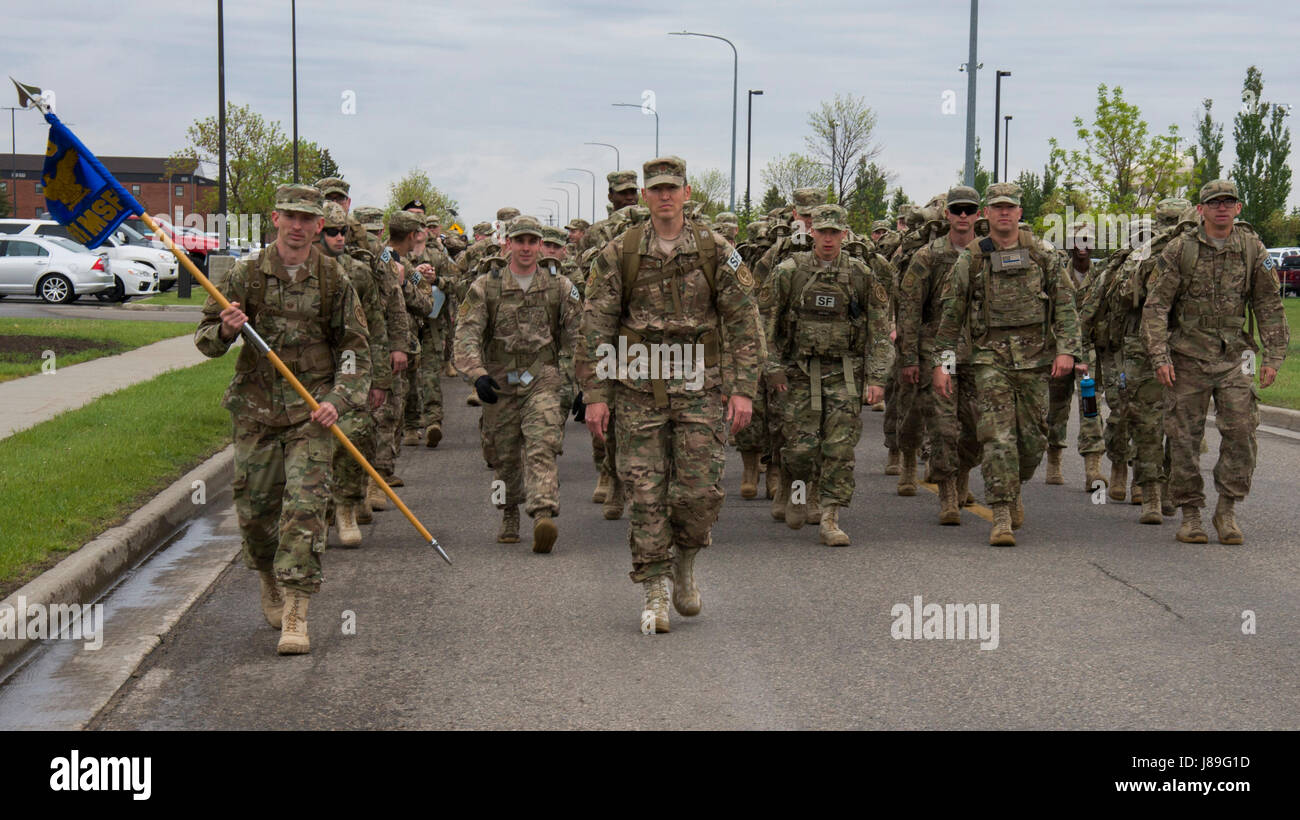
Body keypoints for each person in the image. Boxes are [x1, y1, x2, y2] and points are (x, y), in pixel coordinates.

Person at [578, 156, 762, 633]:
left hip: (701, 384)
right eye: (656, 189)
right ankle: (654, 587)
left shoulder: (716, 250)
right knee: (645, 490)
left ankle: (685, 563)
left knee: (699, 491)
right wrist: (596, 393)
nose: (664, 197)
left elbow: (744, 320)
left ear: (686, 193)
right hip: (638, 387)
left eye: (672, 189)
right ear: (644, 196)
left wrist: (743, 390)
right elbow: (595, 324)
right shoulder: (621, 251)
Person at [195, 184, 369, 654]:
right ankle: (269, 576)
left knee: (306, 507)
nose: (298, 226)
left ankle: (297, 609)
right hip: (255, 409)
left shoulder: (334, 280)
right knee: (254, 513)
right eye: (290, 216)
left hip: (311, 411)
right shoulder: (245, 274)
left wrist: (339, 397)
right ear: (275, 219)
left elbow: (354, 349)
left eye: (307, 219)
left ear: (319, 225)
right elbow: (206, 339)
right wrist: (226, 329)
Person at [932, 182, 1081, 546]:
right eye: (996, 207)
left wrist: (1067, 350)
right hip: (989, 359)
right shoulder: (973, 257)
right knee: (997, 438)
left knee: (1031, 443)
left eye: (1009, 207)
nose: (1003, 213)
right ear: (987, 214)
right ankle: (1000, 513)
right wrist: (944, 364)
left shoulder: (1043, 254)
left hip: (1034, 361)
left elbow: (1065, 306)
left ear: (1019, 213)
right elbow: (952, 315)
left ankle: (1014, 487)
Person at [1141, 180, 1289, 544]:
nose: (1222, 208)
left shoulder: (1252, 247)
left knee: (1241, 431)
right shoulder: (1180, 249)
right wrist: (1159, 355)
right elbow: (1156, 306)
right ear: (1201, 209)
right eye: (1214, 202)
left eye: (1228, 202)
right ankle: (1190, 513)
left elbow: (1269, 304)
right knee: (1183, 439)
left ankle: (1226, 510)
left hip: (1234, 357)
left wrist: (1273, 355)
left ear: (1238, 209)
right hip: (1187, 357)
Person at [761, 204, 890, 544]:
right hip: (799, 372)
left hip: (844, 372)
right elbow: (765, 326)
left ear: (845, 235)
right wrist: (773, 370)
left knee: (839, 449)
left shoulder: (862, 274)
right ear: (812, 233)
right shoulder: (789, 272)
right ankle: (797, 490)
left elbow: (879, 331)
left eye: (835, 232)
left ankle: (830, 517)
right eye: (823, 232)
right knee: (800, 450)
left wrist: (876, 378)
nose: (829, 239)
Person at [455, 216, 581, 552]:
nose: (526, 248)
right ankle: (508, 512)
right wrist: (476, 373)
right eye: (519, 241)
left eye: (532, 241)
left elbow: (579, 335)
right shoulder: (486, 286)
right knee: (503, 456)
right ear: (507, 244)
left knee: (542, 445)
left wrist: (585, 382)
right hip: (499, 381)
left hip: (542, 378)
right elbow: (467, 333)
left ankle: (543, 514)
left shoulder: (559, 287)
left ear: (540, 246)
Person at [897, 185, 983, 523]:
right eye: (957, 209)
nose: (963, 216)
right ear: (947, 214)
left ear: (980, 215)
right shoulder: (928, 257)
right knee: (944, 428)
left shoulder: (987, 254)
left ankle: (962, 476)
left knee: (976, 427)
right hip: (939, 353)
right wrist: (907, 357)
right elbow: (910, 308)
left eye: (969, 210)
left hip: (978, 353)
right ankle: (948, 492)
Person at [318, 201, 389, 546]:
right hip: (307, 368)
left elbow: (374, 325)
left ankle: (345, 507)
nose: (339, 237)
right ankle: (317, 513)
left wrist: (380, 379)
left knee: (353, 435)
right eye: (331, 232)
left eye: (343, 231)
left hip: (350, 366)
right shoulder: (298, 268)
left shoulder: (359, 273)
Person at [1045, 222, 1106, 488]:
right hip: (1060, 351)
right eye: (1078, 241)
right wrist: (1062, 349)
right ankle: (1054, 461)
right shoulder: (1057, 273)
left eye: (1087, 241)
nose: (1083, 246)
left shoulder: (1102, 274)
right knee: (1056, 409)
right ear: (1070, 244)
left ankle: (1093, 469)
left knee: (1091, 409)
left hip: (1089, 353)